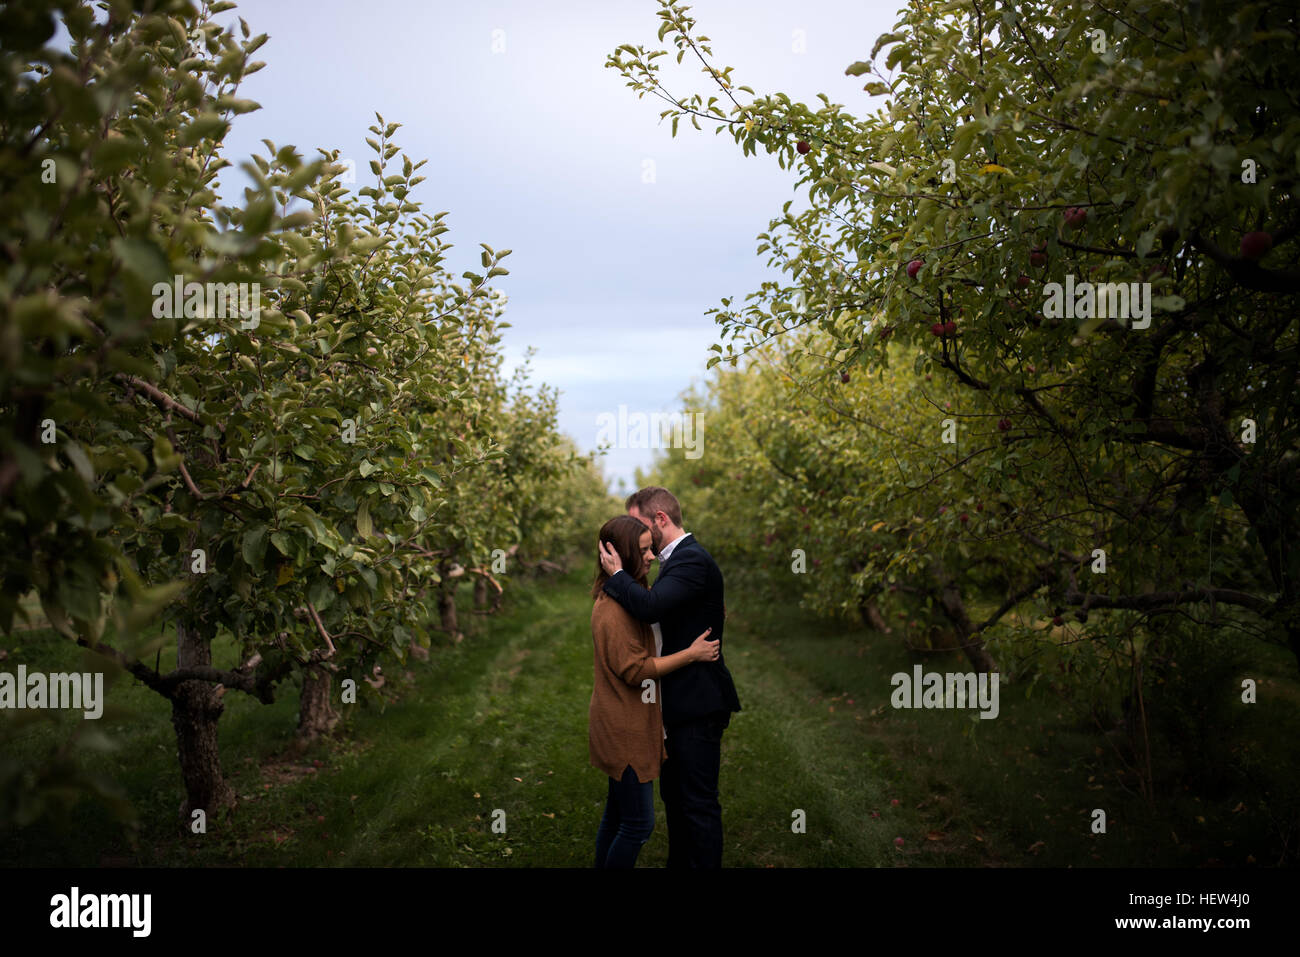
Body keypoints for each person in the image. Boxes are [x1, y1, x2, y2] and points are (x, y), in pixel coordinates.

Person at [598, 487, 741, 868]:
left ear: (660, 519)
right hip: (677, 702)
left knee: (697, 804)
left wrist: (615, 575)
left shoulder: (691, 559)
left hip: (697, 701)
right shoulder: (675, 563)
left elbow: (650, 607)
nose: (635, 532)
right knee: (677, 801)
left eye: (639, 523)